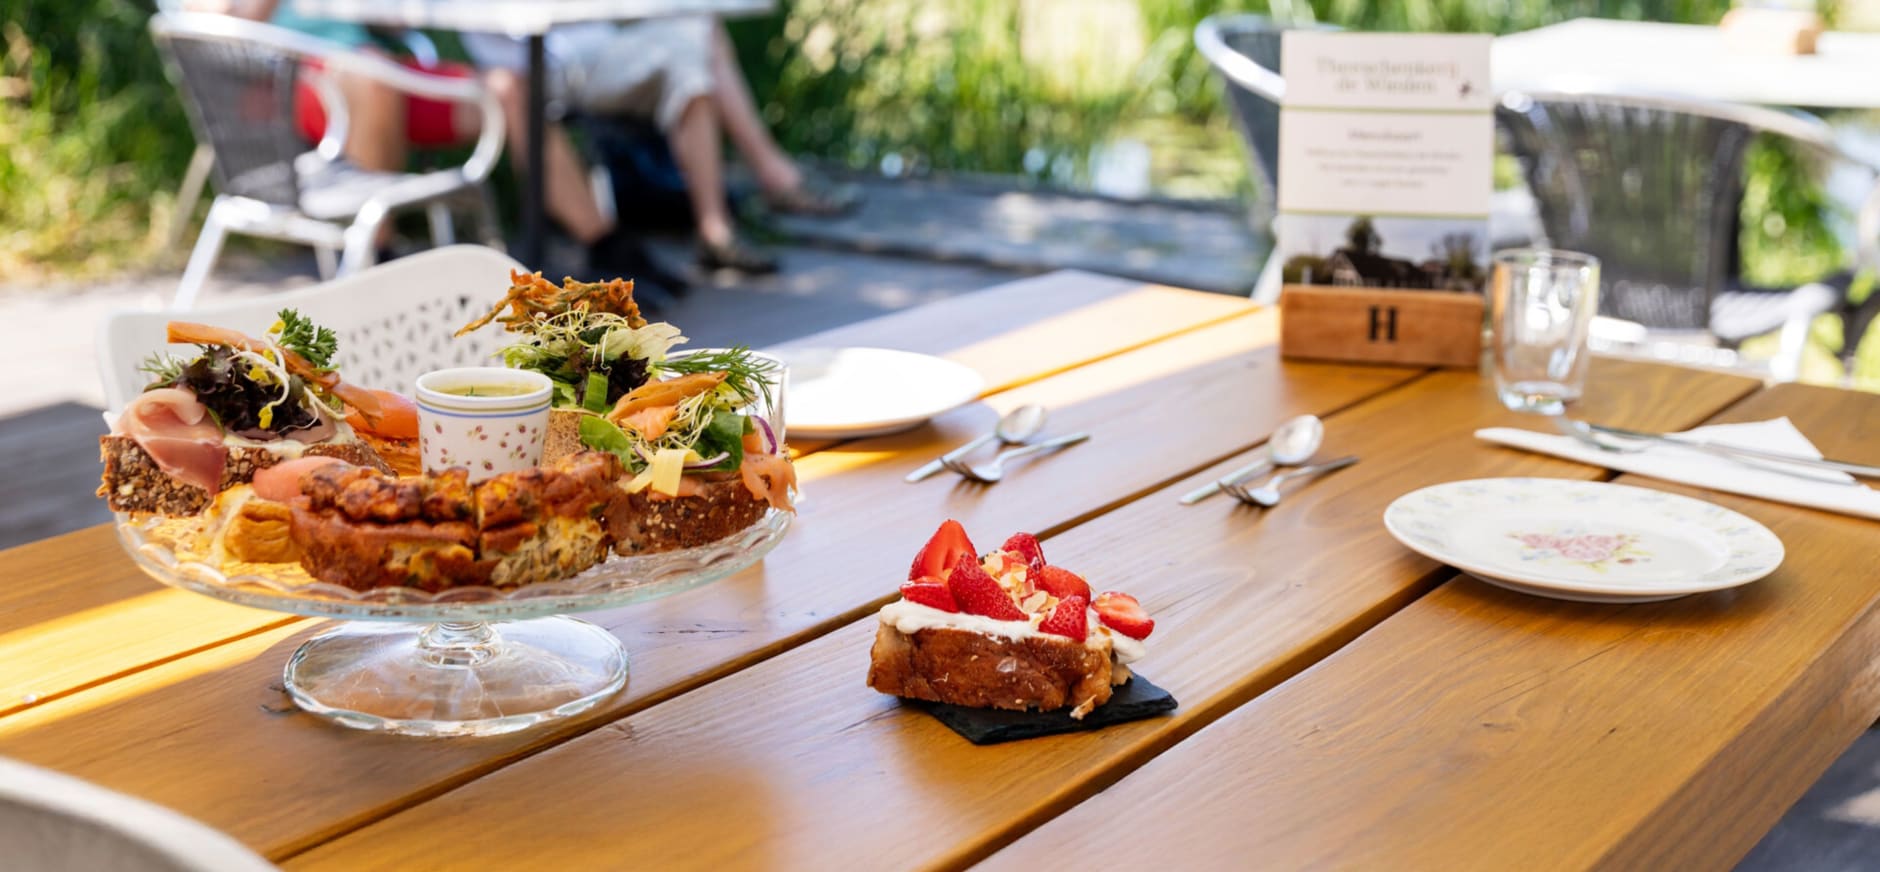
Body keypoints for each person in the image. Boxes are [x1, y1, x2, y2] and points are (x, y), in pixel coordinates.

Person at [465, 17, 856, 276]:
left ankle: (719, 224)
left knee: (697, 34)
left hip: (591, 52)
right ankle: (716, 217)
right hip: (529, 65)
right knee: (691, 53)